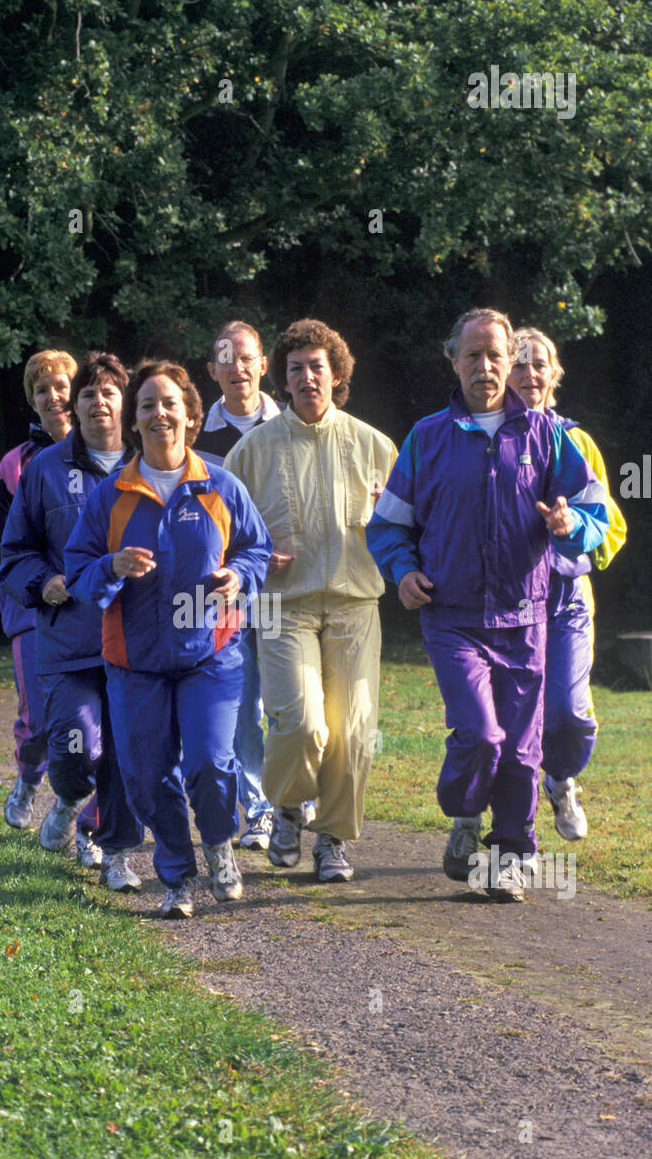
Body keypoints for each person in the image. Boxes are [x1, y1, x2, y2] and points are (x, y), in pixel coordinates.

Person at [367, 308, 609, 901]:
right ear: (453, 361)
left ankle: (510, 859)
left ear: (510, 360)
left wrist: (569, 520)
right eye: (472, 355)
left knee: (524, 754)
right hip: (452, 620)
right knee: (480, 735)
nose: (485, 366)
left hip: (527, 619)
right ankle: (464, 812)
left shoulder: (548, 435)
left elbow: (597, 516)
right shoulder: (426, 438)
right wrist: (402, 571)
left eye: (495, 355)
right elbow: (388, 525)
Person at [64, 360, 272, 920]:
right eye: (149, 405)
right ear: (136, 420)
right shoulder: (111, 496)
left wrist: (240, 577)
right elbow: (79, 572)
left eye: (170, 404)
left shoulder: (221, 485)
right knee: (147, 774)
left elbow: (256, 548)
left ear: (191, 416)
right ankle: (177, 875)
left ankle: (221, 844)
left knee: (210, 760)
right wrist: (112, 565)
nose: (160, 414)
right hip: (136, 662)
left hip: (211, 654)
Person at [224, 319, 397, 883]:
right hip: (280, 606)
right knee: (300, 722)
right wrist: (248, 557)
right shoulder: (251, 452)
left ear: (337, 373)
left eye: (316, 367)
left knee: (352, 726)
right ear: (284, 378)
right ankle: (289, 807)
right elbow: (222, 530)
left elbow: (406, 528)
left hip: (354, 604)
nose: (306, 378)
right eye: (295, 368)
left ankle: (333, 840)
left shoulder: (375, 447)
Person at [0, 352, 143, 892]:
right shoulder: (43, 471)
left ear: (124, 404)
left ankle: (117, 854)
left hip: (137, 642)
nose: (97, 402)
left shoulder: (150, 465)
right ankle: (65, 796)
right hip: (70, 642)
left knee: (127, 752)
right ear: (74, 408)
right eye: (87, 394)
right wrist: (43, 583)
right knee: (79, 749)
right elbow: (13, 552)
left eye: (109, 393)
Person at [509, 327, 626, 839]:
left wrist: (570, 527)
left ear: (554, 373)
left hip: (566, 599)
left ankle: (559, 779)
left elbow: (611, 524)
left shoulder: (577, 442)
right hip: (507, 599)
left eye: (540, 364)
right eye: (519, 364)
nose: (530, 373)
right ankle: (504, 830)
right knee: (511, 725)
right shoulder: (487, 438)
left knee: (571, 715)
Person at [0, 349, 76, 831]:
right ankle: (28, 779)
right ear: (32, 401)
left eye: (62, 386)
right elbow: (0, 541)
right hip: (34, 614)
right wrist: (38, 584)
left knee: (95, 719)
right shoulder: (14, 466)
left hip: (94, 609)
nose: (54, 396)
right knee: (38, 717)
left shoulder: (108, 454)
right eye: (43, 389)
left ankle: (90, 820)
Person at [197, 320, 281, 852]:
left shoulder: (292, 423)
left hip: (292, 589)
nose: (237, 367)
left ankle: (296, 797)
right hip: (232, 592)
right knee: (244, 700)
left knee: (293, 702)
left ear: (263, 364)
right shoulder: (198, 440)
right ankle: (260, 809)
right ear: (212, 370)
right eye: (225, 358)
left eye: (246, 357)